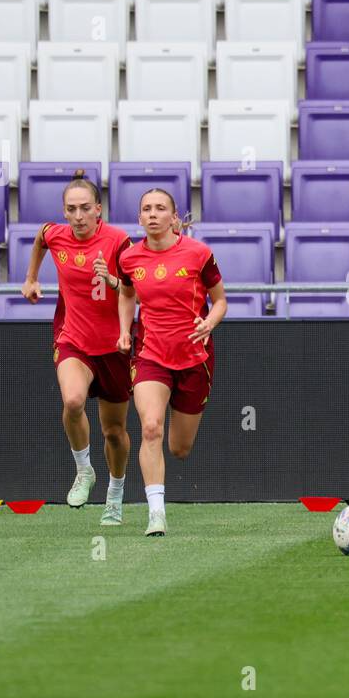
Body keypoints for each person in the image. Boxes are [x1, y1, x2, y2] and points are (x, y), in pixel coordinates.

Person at [21, 174, 134, 524]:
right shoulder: (55, 235)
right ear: (64, 212)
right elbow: (40, 238)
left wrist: (114, 281)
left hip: (115, 345)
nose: (79, 216)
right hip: (74, 339)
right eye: (72, 209)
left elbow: (135, 289)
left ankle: (115, 494)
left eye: (86, 208)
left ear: (98, 210)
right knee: (72, 401)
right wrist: (32, 277)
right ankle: (84, 470)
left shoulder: (118, 241)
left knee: (113, 432)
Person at [116, 189, 226, 536]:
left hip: (195, 357)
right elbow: (126, 292)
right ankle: (156, 514)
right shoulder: (130, 258)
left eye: (160, 208)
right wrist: (124, 331)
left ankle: (164, 489)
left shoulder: (199, 254)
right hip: (151, 355)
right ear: (139, 218)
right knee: (150, 427)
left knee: (179, 448)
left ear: (174, 217)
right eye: (146, 209)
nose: (152, 214)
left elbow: (220, 300)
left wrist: (210, 322)